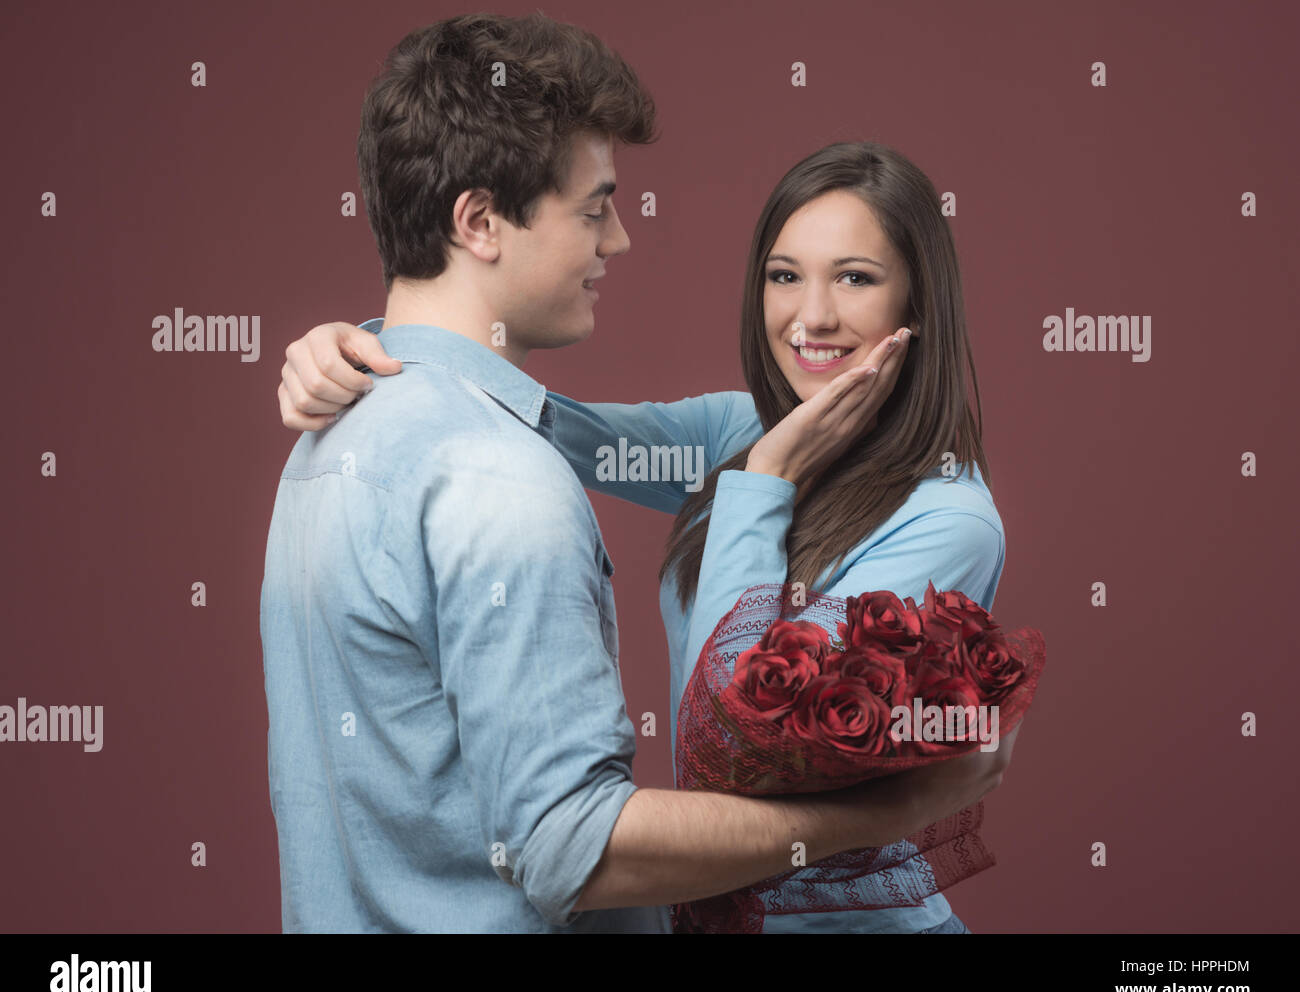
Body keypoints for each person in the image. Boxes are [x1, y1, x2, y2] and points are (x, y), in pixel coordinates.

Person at [265, 12, 1016, 934]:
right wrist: (371, 349)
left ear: (916, 298)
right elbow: (543, 423)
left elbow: (732, 730)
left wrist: (761, 483)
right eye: (784, 276)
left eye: (855, 278)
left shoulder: (946, 518)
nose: (811, 316)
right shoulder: (730, 435)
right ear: (480, 222)